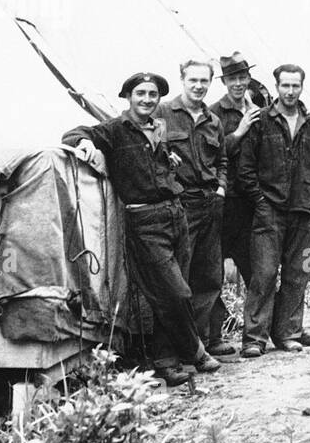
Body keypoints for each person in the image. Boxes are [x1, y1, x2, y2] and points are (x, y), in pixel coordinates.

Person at [63, 72, 221, 385]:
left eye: (152, 94)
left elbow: (158, 163)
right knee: (176, 291)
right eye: (140, 94)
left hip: (177, 214)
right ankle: (196, 352)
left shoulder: (159, 128)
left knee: (172, 292)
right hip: (144, 220)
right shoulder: (115, 130)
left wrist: (167, 159)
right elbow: (74, 132)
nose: (147, 99)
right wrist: (85, 144)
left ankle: (166, 362)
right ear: (128, 97)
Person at [236, 64, 310, 356]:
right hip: (270, 212)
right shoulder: (261, 120)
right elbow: (245, 169)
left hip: (304, 212)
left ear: (302, 87)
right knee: (263, 274)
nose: (290, 92)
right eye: (285, 86)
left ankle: (290, 333)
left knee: (301, 271)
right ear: (276, 87)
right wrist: (261, 201)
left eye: (295, 86)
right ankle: (254, 339)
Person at [157, 59, 231, 359]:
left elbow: (223, 160)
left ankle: (196, 345)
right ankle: (172, 351)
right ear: (182, 80)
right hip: (181, 206)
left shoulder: (213, 121)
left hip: (210, 204)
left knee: (209, 278)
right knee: (178, 281)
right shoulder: (163, 113)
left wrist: (222, 187)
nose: (199, 86)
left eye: (204, 81)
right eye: (193, 81)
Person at [208, 54, 265, 355]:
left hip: (251, 201)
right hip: (223, 201)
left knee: (255, 269)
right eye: (233, 79)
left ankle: (256, 333)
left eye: (243, 78)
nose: (239, 84)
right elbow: (213, 153)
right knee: (213, 271)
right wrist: (240, 131)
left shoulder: (259, 109)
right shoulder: (214, 112)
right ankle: (214, 336)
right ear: (225, 82)